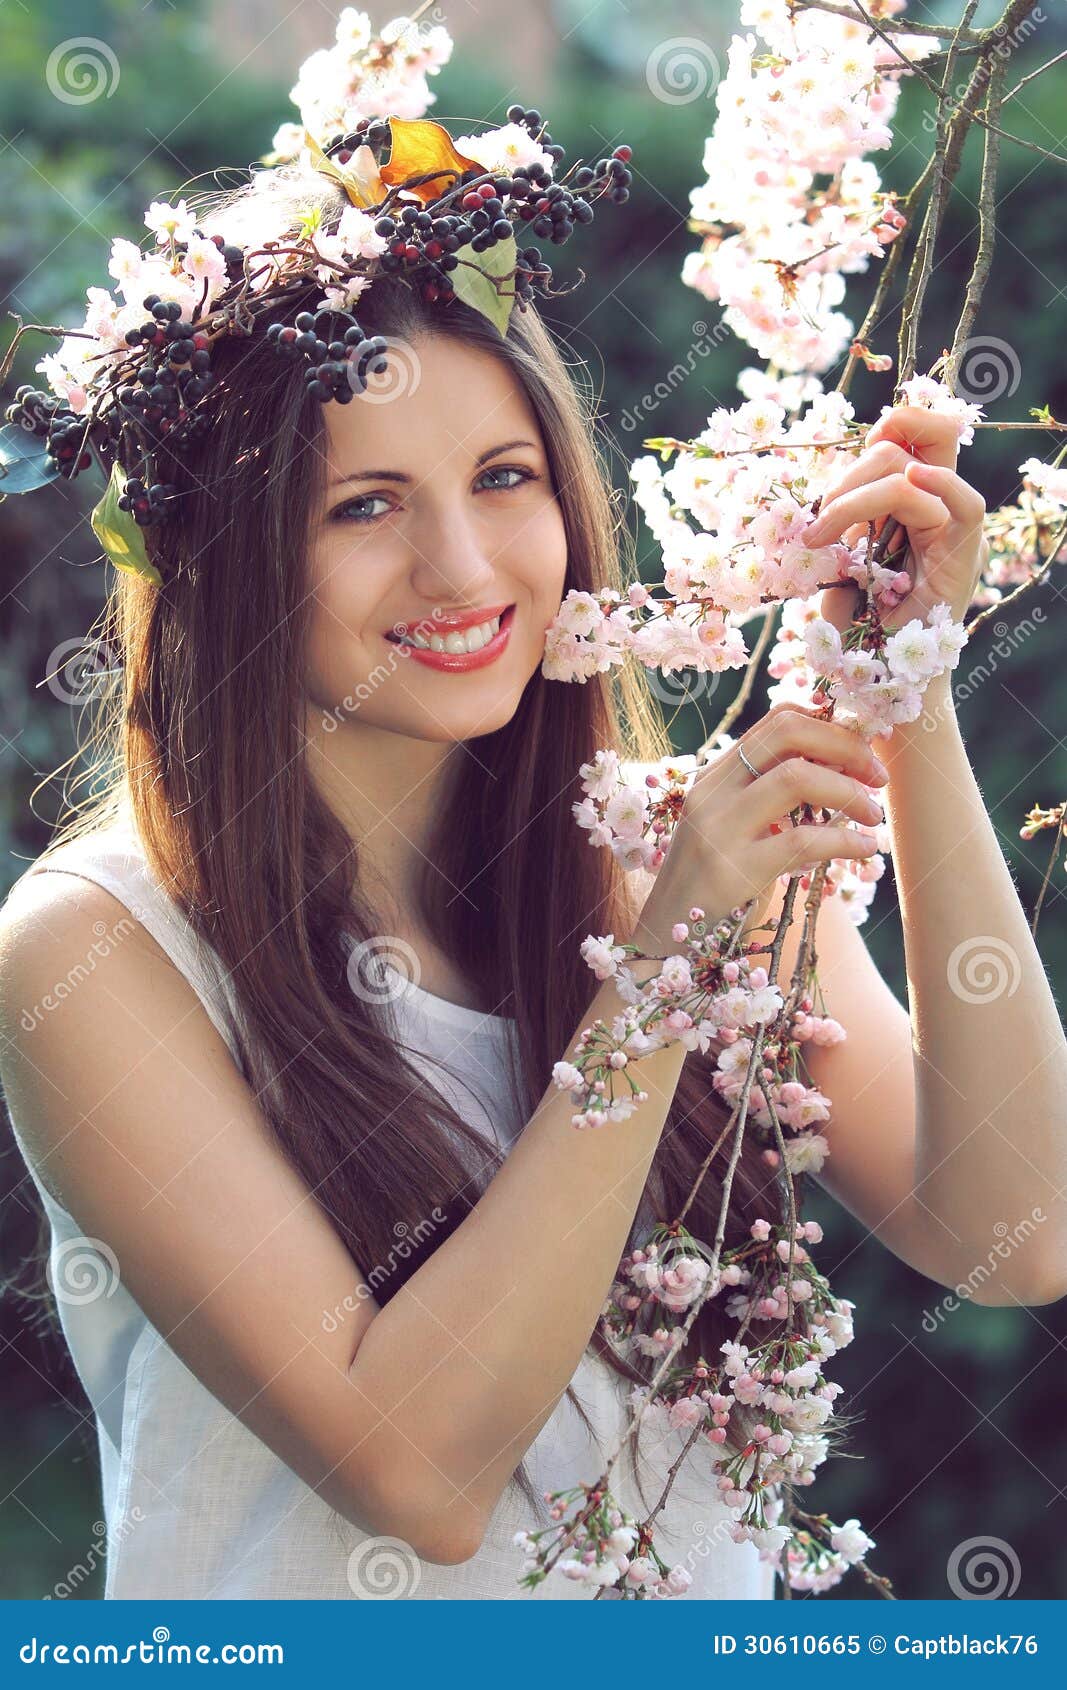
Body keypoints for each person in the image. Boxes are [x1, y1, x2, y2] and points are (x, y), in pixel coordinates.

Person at [2, 118, 1066, 1608]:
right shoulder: (97, 948)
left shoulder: (662, 851)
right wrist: (659, 975)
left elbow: (1016, 1227)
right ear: (224, 557)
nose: (464, 567)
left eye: (506, 479)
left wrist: (913, 691)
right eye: (363, 506)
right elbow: (418, 1467)